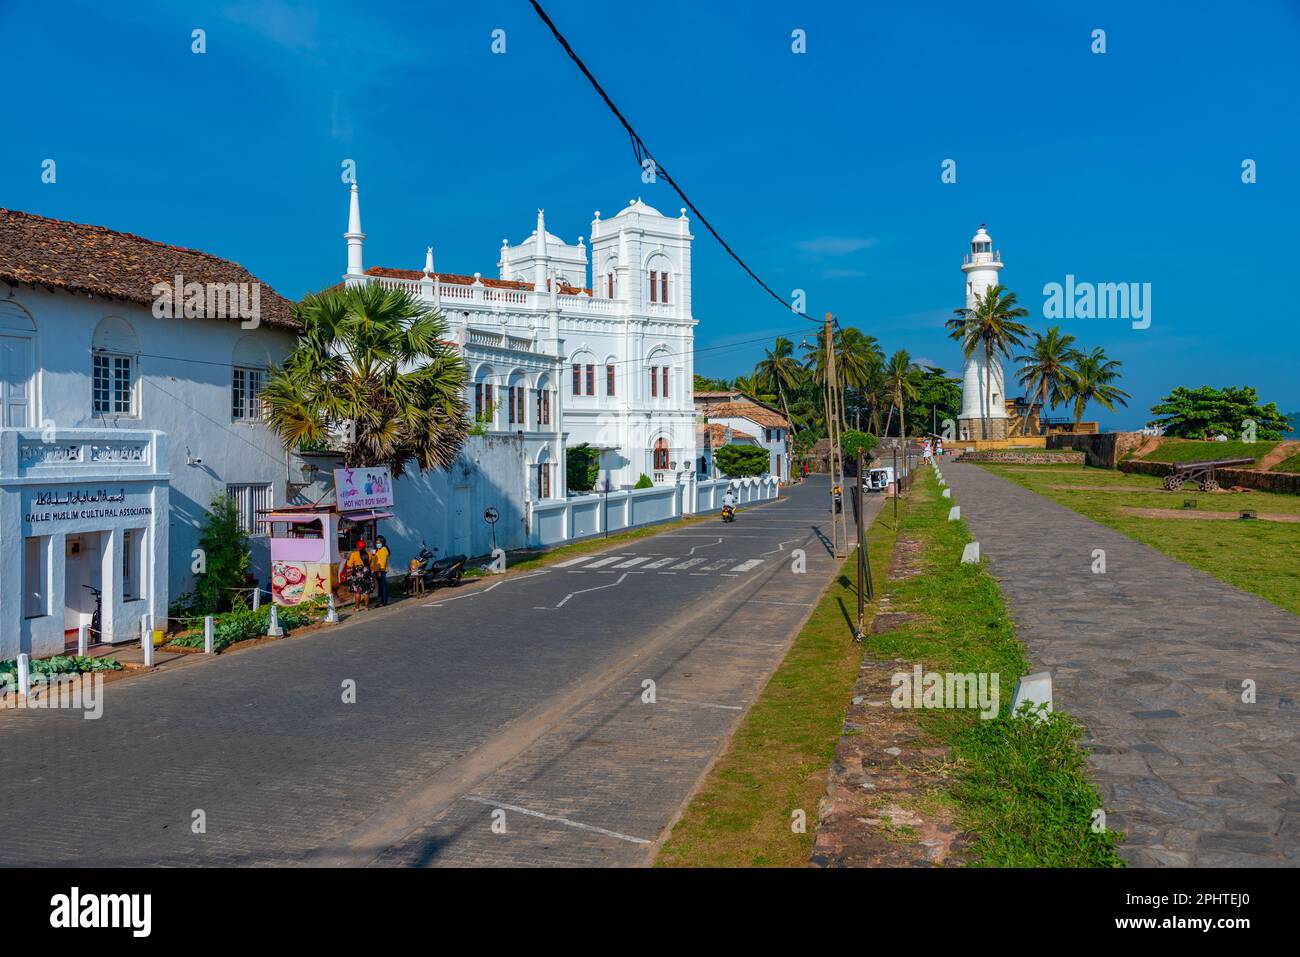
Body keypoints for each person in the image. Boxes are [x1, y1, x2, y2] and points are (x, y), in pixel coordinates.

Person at [345, 540, 373, 611]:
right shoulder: (369, 554)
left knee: (357, 592)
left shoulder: (354, 554)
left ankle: (357, 608)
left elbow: (349, 565)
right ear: (365, 547)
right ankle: (366, 607)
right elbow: (372, 564)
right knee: (366, 592)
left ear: (357, 546)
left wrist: (348, 560)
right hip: (367, 573)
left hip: (357, 574)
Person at [374, 535, 390, 606]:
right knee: (381, 585)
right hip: (379, 570)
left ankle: (384, 601)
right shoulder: (380, 550)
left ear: (382, 542)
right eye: (376, 542)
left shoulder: (383, 550)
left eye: (378, 542)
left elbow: (382, 562)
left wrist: (380, 571)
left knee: (383, 585)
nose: (377, 544)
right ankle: (383, 600)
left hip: (381, 570)